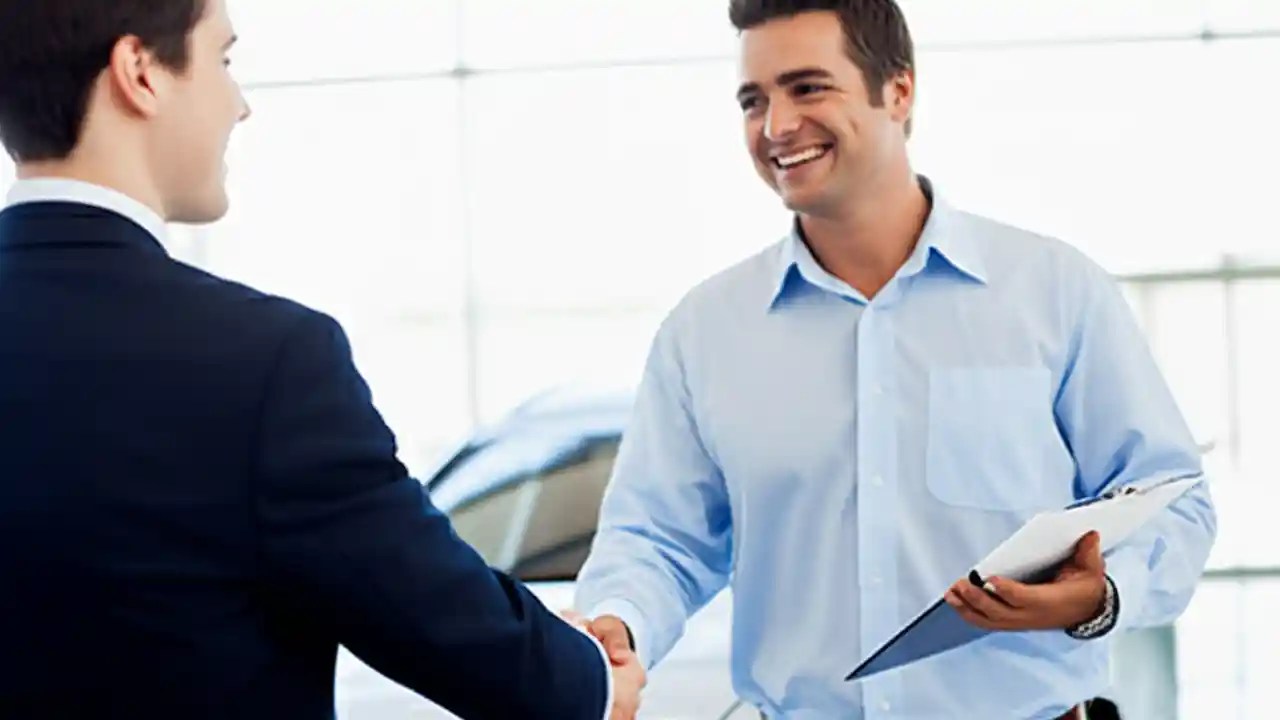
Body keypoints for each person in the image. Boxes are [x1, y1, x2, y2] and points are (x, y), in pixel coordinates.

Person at [570, 1, 1216, 718]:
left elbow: (1170, 496)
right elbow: (657, 537)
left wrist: (1101, 597)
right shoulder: (705, 332)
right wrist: (618, 624)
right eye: (754, 100)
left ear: (899, 91)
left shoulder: (1054, 293)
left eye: (808, 88)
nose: (776, 126)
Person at [0, 1, 643, 718]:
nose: (238, 106)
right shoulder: (263, 363)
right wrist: (590, 675)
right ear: (140, 73)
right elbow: (449, 624)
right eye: (224, 60)